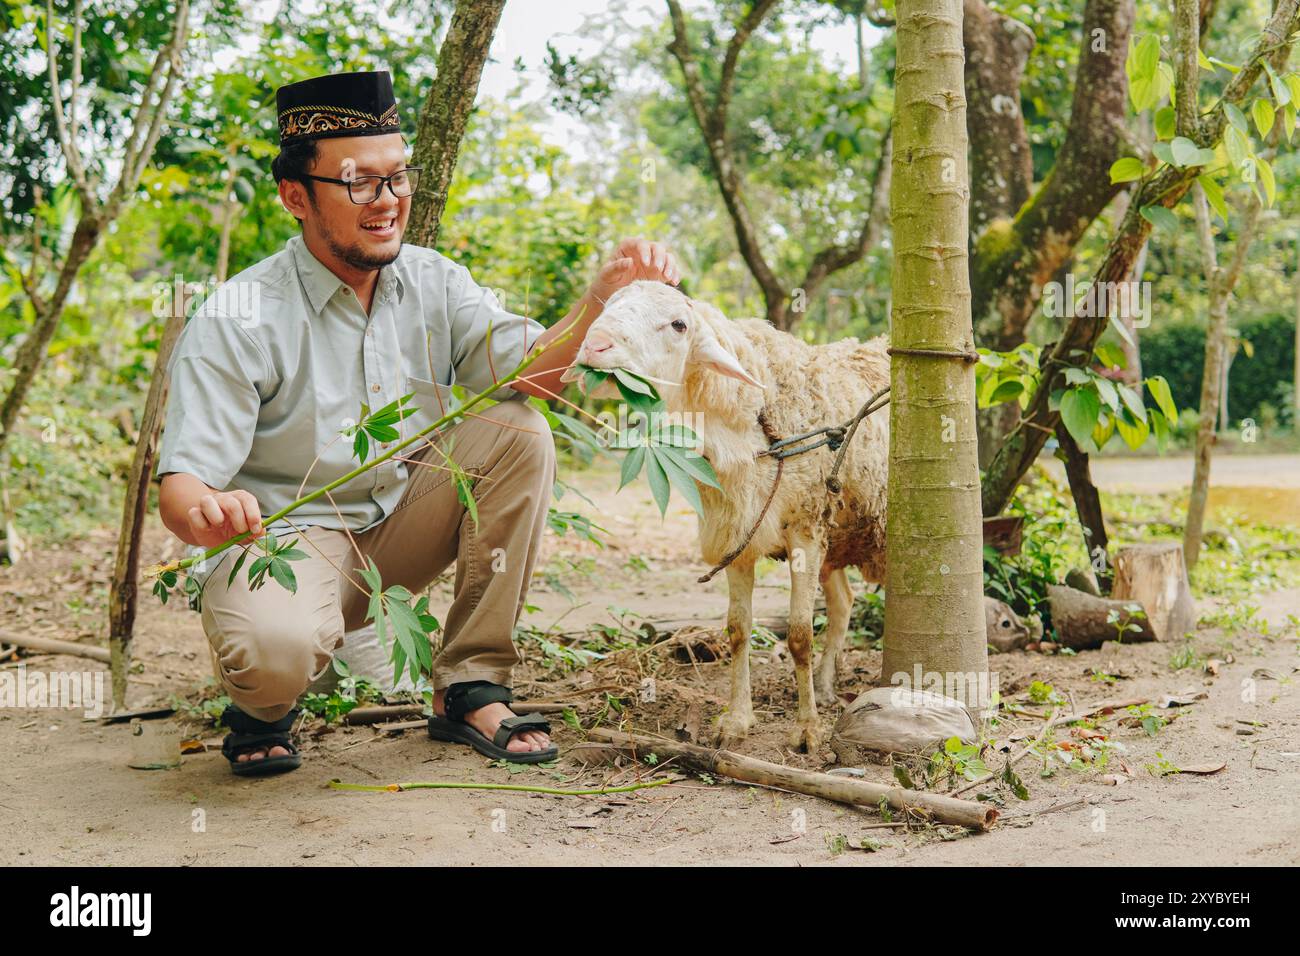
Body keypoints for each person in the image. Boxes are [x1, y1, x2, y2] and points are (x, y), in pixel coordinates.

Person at [155, 69, 680, 776]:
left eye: (399, 177)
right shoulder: (239, 314)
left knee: (517, 427)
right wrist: (209, 514)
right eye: (360, 183)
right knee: (276, 656)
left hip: (398, 531)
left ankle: (469, 683)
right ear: (294, 197)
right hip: (285, 542)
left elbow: (530, 377)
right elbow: (181, 488)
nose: (388, 201)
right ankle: (264, 708)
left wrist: (599, 303)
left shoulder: (436, 281)